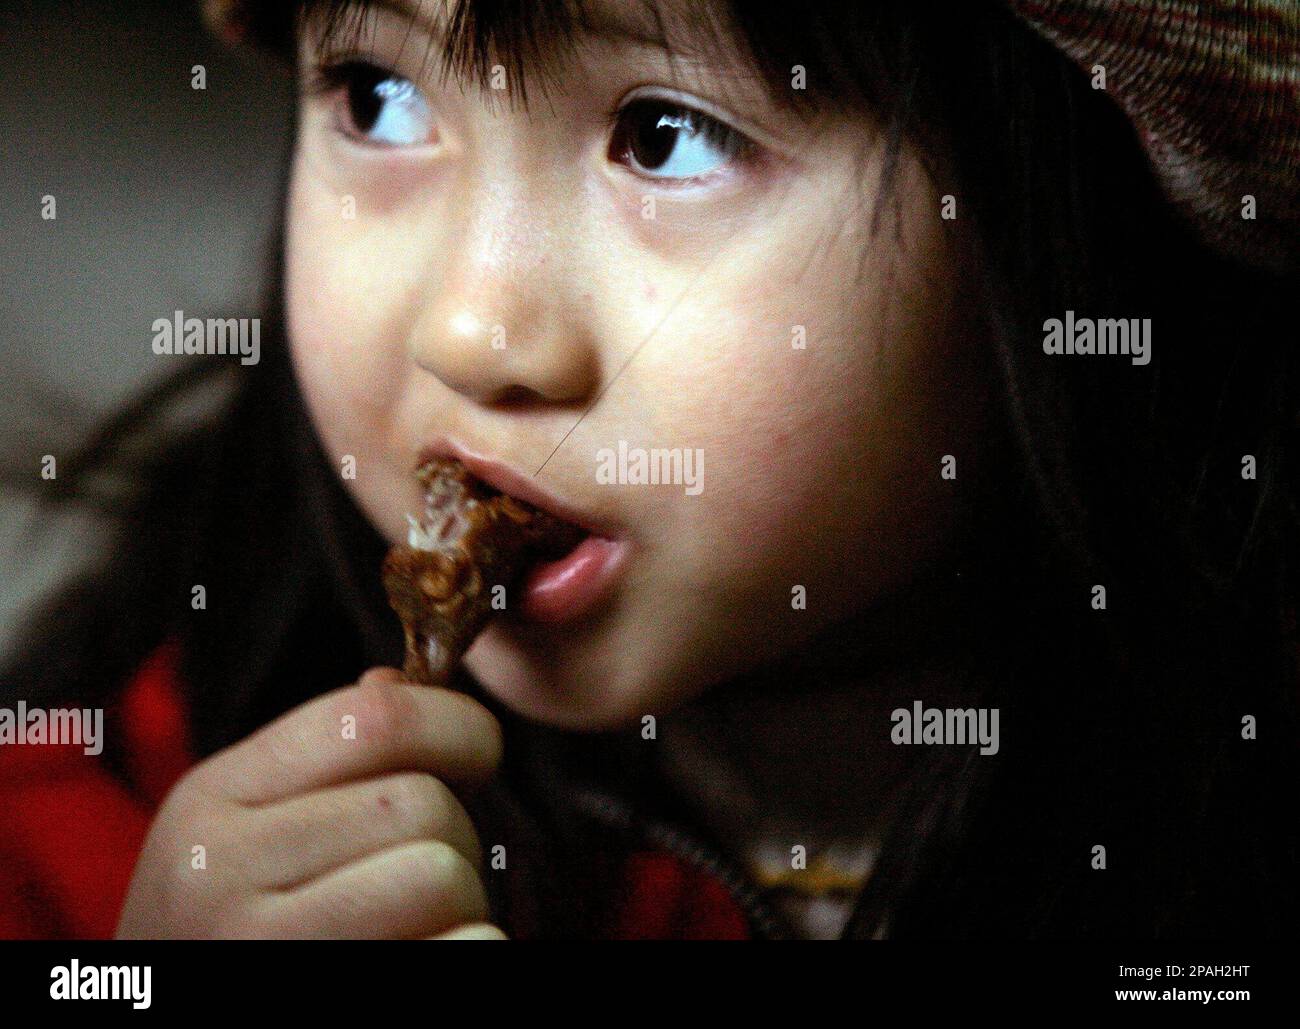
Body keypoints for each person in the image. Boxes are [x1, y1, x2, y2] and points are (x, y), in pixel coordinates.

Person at [2, 0, 1296, 939]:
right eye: (375, 98)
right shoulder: (106, 807)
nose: (471, 329)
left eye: (667, 135)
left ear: (1061, 210)